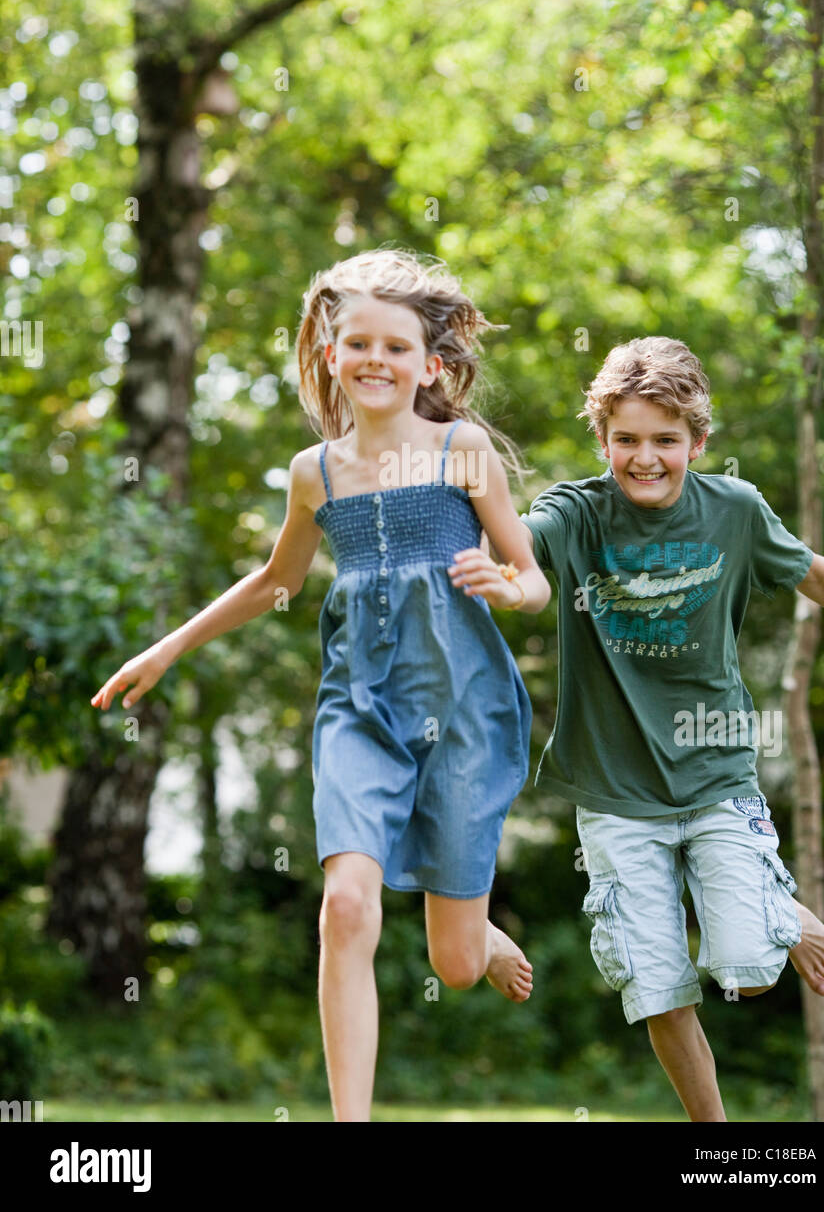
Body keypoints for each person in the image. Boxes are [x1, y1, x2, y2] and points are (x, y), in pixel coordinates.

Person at [91, 246, 550, 1122]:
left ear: (431, 364)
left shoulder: (463, 450)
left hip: (461, 708)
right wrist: (167, 649)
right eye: (358, 344)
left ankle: (475, 937)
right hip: (360, 708)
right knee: (345, 907)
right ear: (331, 354)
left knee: (452, 965)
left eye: (398, 347)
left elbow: (533, 578)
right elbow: (273, 582)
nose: (376, 359)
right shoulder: (317, 473)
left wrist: (508, 586)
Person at [514, 335, 824, 1123]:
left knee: (749, 971)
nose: (644, 458)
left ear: (698, 442)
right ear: (601, 440)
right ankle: (718, 1143)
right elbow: (523, 555)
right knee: (658, 988)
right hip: (613, 789)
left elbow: (811, 570)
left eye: (665, 440)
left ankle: (775, 908)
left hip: (713, 776)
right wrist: (497, 572)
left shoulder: (733, 511)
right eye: (626, 439)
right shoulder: (575, 512)